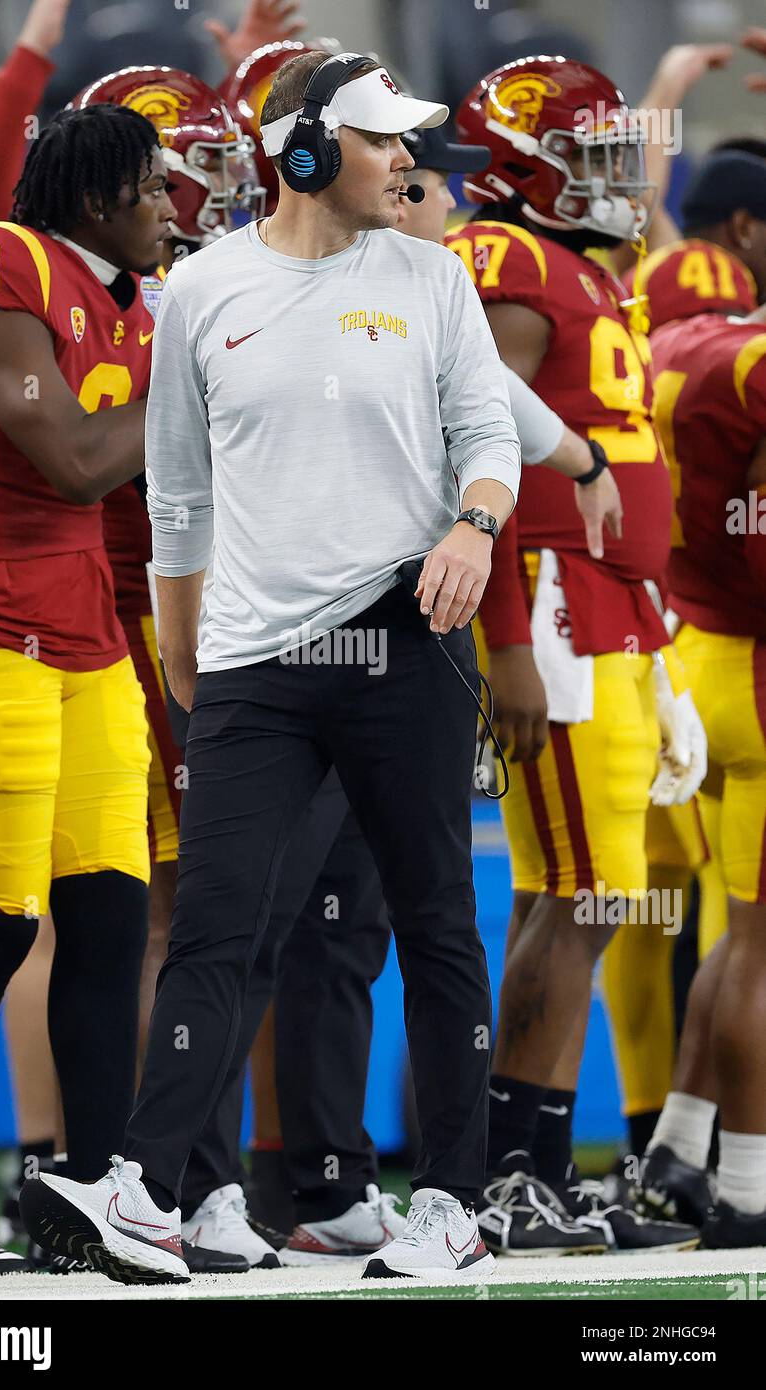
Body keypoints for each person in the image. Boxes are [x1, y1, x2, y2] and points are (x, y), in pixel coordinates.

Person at [21, 48, 521, 1285]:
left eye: (405, 142)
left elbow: (487, 428)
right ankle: (145, 1189)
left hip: (405, 638)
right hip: (250, 657)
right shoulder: (203, 291)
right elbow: (178, 490)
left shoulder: (431, 276)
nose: (405, 161)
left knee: (434, 924)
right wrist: (182, 640)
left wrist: (473, 521)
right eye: (380, 140)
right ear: (301, 152)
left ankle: (452, 1199)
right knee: (212, 927)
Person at [0, 105, 175, 1279]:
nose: (174, 208)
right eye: (155, 189)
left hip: (91, 638)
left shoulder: (130, 304)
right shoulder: (0, 259)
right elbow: (67, 459)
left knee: (111, 916)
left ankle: (85, 1197)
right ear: (97, 195)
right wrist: (199, 378)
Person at [447, 55, 702, 1256]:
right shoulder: (500, 260)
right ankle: (513, 1175)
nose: (614, 176)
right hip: (547, 600)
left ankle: (529, 1166)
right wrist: (506, 634)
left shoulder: (573, 268)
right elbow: (473, 438)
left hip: (605, 607)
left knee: (576, 890)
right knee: (584, 891)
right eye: (590, 152)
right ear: (521, 164)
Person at [634, 167, 766, 1247]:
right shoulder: (745, 362)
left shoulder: (659, 349)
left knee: (732, 940)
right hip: (756, 674)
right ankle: (750, 1188)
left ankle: (676, 1147)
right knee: (756, 947)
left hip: (688, 659)